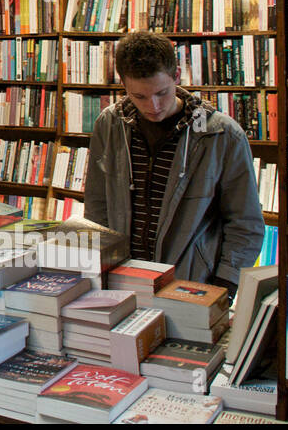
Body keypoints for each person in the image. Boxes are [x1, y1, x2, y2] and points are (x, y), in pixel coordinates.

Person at [83, 31, 264, 294]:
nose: (153, 106)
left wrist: (225, 285)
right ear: (123, 85)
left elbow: (245, 223)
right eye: (140, 96)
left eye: (162, 92)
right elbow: (97, 207)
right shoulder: (109, 124)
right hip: (121, 280)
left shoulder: (222, 134)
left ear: (177, 75)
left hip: (192, 283)